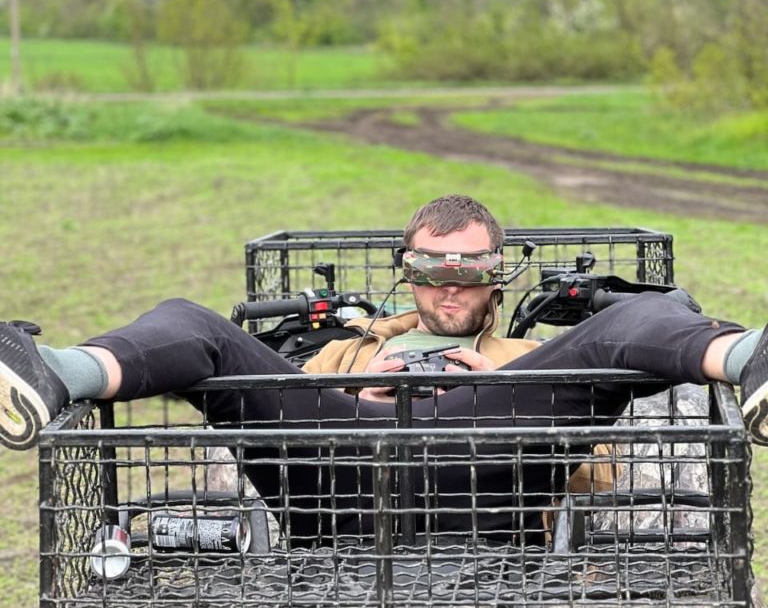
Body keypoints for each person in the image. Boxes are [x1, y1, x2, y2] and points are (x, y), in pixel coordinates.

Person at [1, 193, 767, 457]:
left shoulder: (531, 355)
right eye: (433, 266)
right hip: (337, 470)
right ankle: (55, 373)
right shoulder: (349, 348)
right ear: (407, 269)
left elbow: (593, 477)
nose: (451, 285)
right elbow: (259, 436)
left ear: (498, 274)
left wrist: (503, 385)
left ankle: (751, 358)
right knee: (192, 321)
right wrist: (359, 391)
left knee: (635, 312)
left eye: (471, 268)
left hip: (491, 470)